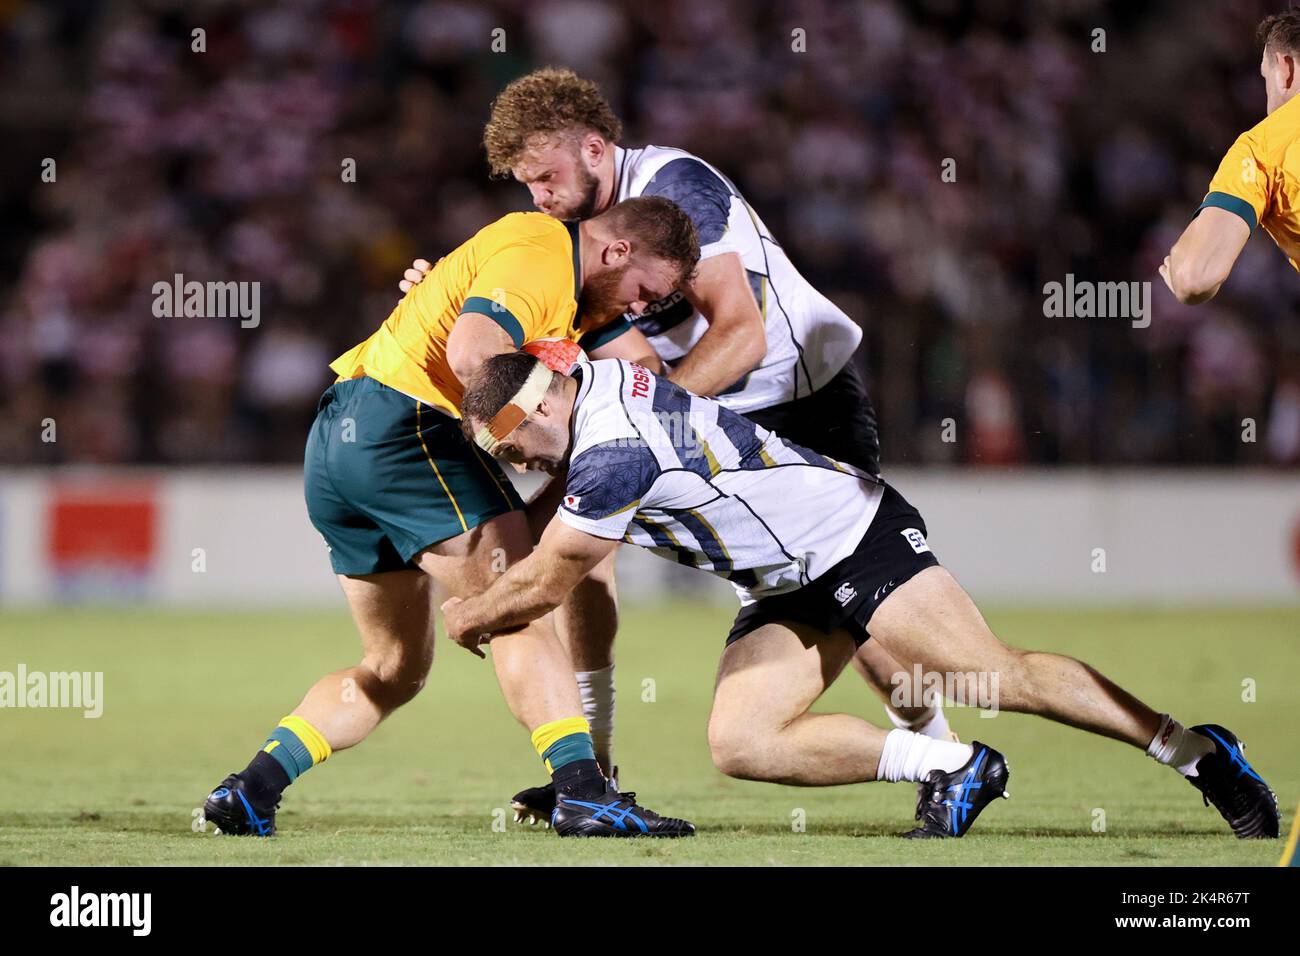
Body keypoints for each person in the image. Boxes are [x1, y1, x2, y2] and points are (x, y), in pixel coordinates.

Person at [402, 67, 952, 825]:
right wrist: (446, 295)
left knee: (856, 610)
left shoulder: (676, 186)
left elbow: (742, 332)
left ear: (595, 148)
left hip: (799, 409)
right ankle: (589, 772)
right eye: (528, 185)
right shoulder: (575, 235)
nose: (541, 198)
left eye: (547, 177)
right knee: (582, 552)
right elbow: (558, 331)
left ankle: (940, 751)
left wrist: (646, 424)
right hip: (704, 427)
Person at [443, 352, 1280, 840]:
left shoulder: (609, 454)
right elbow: (558, 350)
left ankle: (1201, 755)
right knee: (741, 743)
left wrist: (471, 611)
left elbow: (553, 579)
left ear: (547, 400)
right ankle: (953, 764)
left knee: (996, 676)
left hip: (851, 536)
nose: (518, 462)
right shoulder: (590, 377)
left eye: (516, 443)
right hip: (785, 578)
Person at [202, 199, 699, 838]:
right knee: (517, 605)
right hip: (407, 426)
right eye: (643, 293)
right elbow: (473, 355)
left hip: (341, 441)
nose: (638, 308)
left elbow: (636, 363)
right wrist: (536, 442)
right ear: (617, 251)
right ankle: (581, 793)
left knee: (394, 667)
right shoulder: (543, 250)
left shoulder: (551, 276)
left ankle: (250, 790)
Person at [1162, 10, 1300, 303]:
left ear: (1285, 68)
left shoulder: (1262, 147)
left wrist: (1179, 260)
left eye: (1266, 78)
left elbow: (1196, 277)